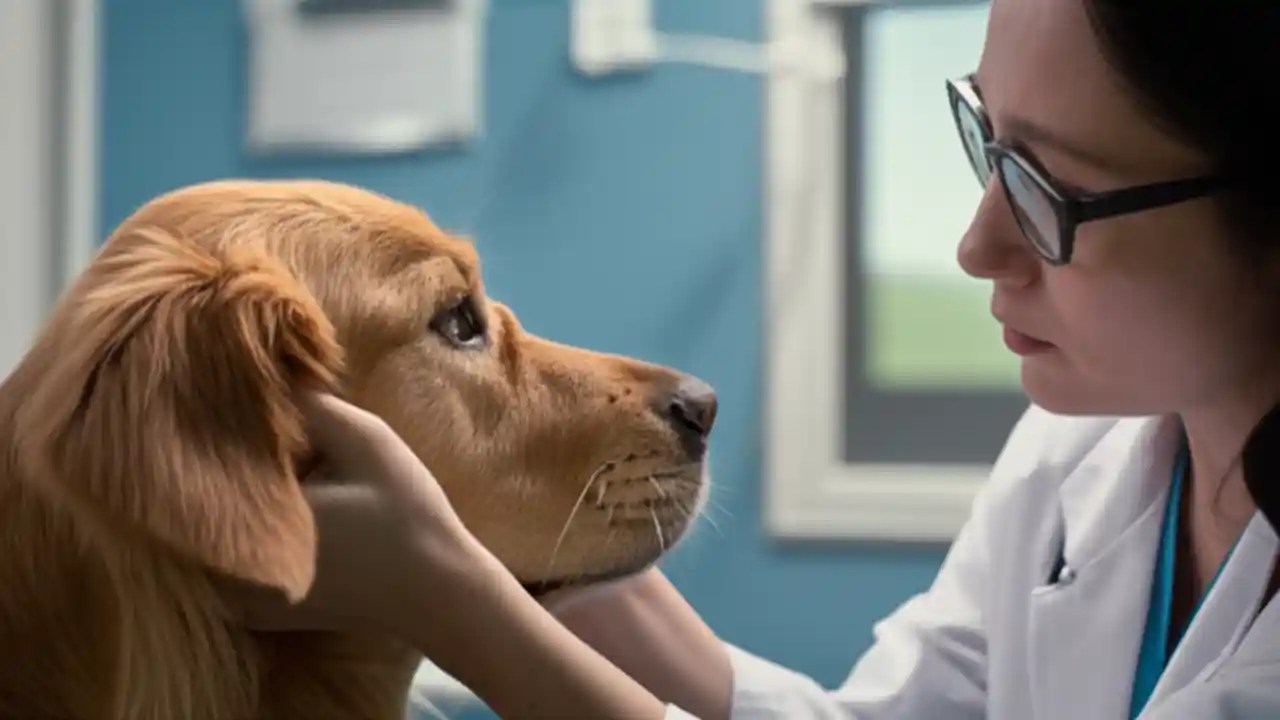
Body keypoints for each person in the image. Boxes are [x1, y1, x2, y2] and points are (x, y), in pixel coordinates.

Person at [220, 1, 1280, 718]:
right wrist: (534, 541)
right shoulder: (1072, 456)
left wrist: (460, 606)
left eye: (1050, 192)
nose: (973, 245)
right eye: (987, 144)